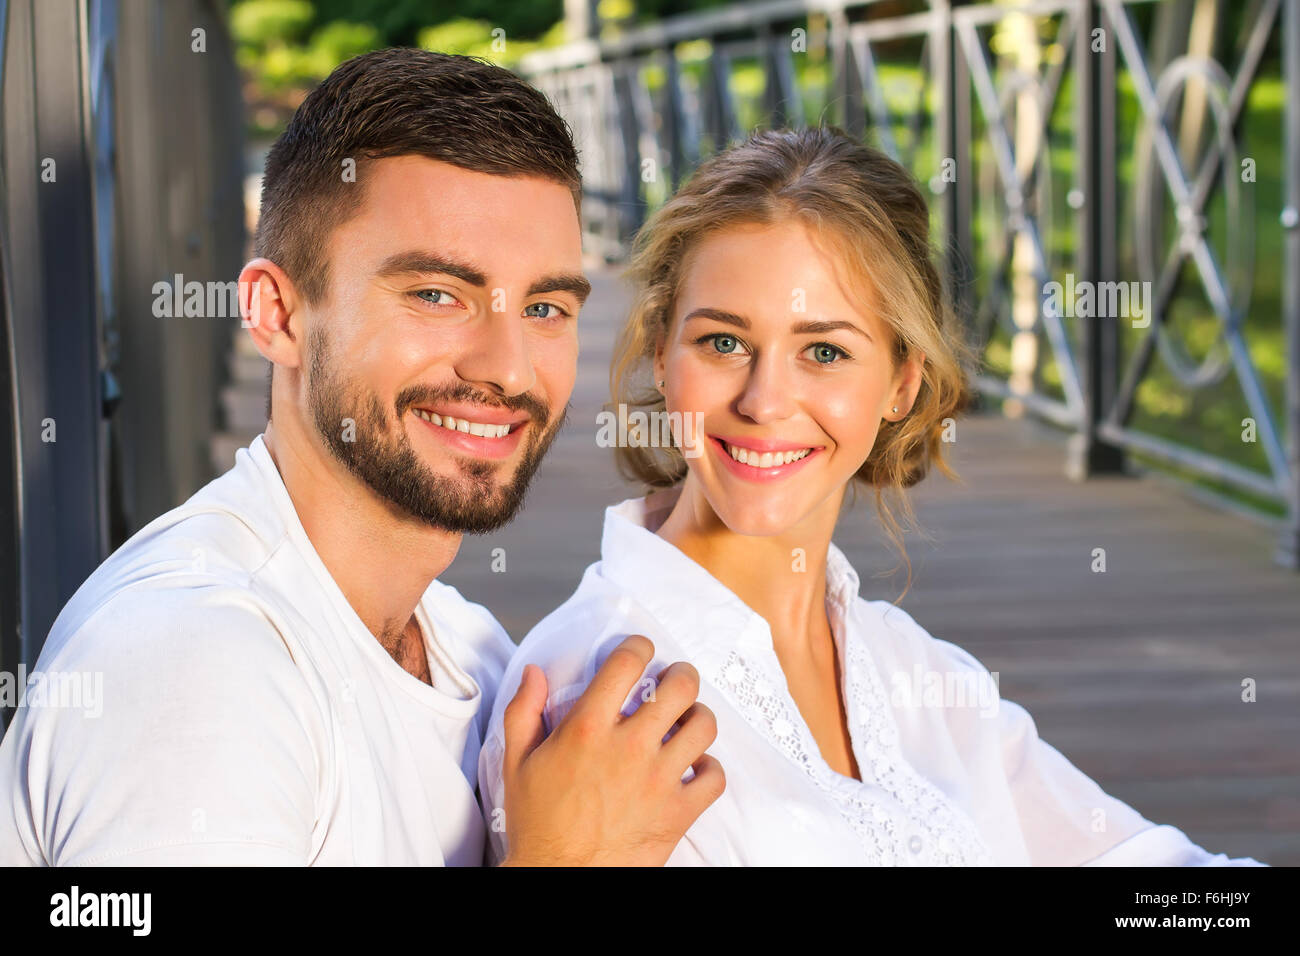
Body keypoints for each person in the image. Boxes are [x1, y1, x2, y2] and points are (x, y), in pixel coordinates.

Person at [0, 48, 723, 867]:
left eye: (545, 306)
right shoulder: (193, 661)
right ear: (276, 314)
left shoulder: (471, 648)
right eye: (437, 296)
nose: (509, 368)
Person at [478, 127, 1266, 866]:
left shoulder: (911, 668)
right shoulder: (590, 692)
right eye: (723, 342)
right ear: (661, 352)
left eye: (823, 351)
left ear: (900, 382)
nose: (764, 401)